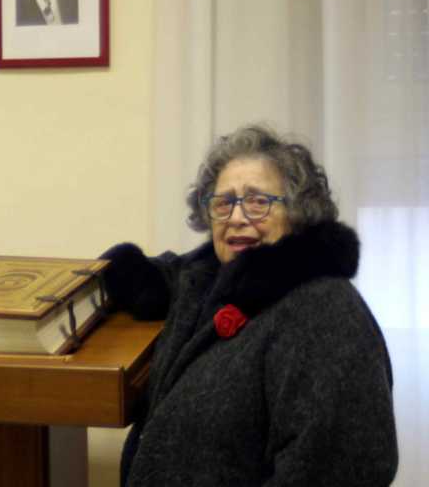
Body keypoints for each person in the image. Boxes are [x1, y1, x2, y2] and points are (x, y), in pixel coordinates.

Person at [101, 124, 397, 487]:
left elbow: (344, 469)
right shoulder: (209, 279)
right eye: (224, 203)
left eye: (258, 202)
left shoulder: (326, 312)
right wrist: (125, 270)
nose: (237, 217)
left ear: (297, 212)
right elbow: (169, 275)